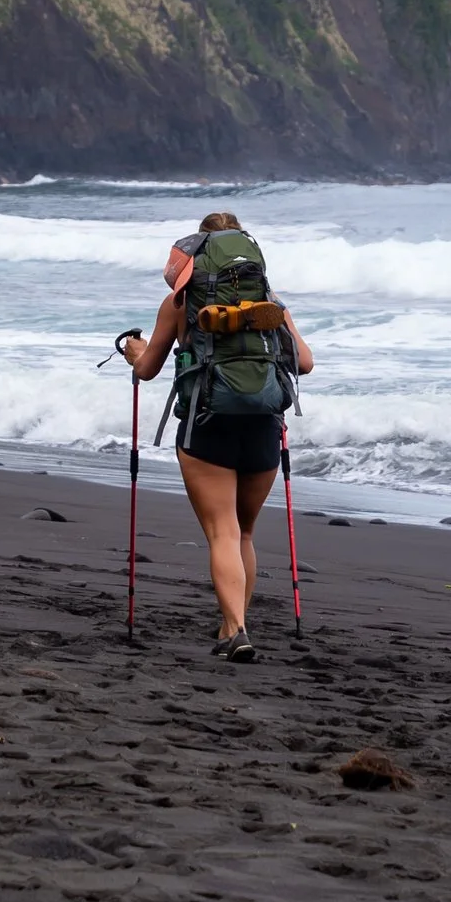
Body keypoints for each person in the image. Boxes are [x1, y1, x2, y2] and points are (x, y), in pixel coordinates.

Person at [117, 208, 311, 663]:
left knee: (223, 532)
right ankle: (230, 627)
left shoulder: (180, 302)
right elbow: (304, 363)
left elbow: (147, 370)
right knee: (244, 533)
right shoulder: (270, 303)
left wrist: (134, 351)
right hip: (263, 424)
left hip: (206, 424)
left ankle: (237, 629)